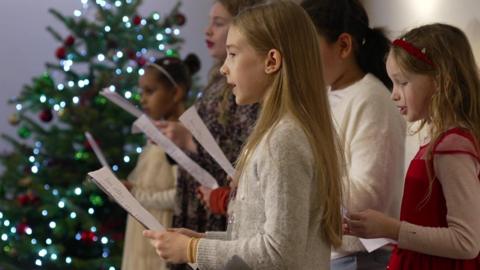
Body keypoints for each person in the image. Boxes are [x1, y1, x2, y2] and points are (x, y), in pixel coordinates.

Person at [144, 1, 344, 269]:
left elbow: (279, 253)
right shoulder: (279, 133)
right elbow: (258, 236)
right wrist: (203, 240)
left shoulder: (284, 140)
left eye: (233, 54)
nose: (225, 68)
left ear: (271, 61)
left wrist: (193, 249)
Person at [346, 23, 480, 270]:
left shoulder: (452, 147)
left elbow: (466, 241)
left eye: (402, 83)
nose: (393, 95)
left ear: (440, 80)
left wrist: (391, 228)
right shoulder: (439, 143)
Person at [153, 1, 261, 269]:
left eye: (219, 23)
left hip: (220, 208)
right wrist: (177, 139)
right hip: (198, 203)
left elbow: (243, 155)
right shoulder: (216, 80)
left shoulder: (249, 88)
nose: (208, 31)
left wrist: (189, 141)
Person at [300, 0, 406, 269]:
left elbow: (366, 197)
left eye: (307, 46)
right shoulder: (327, 93)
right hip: (328, 253)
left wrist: (297, 179)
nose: (299, 57)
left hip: (360, 257)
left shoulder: (370, 99)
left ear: (344, 45)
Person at [121, 54, 200, 270]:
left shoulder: (184, 137)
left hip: (164, 232)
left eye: (150, 91)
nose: (142, 99)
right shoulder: (157, 133)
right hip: (141, 233)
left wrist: (137, 196)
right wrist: (129, 189)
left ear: (176, 92)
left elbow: (184, 193)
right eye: (141, 91)